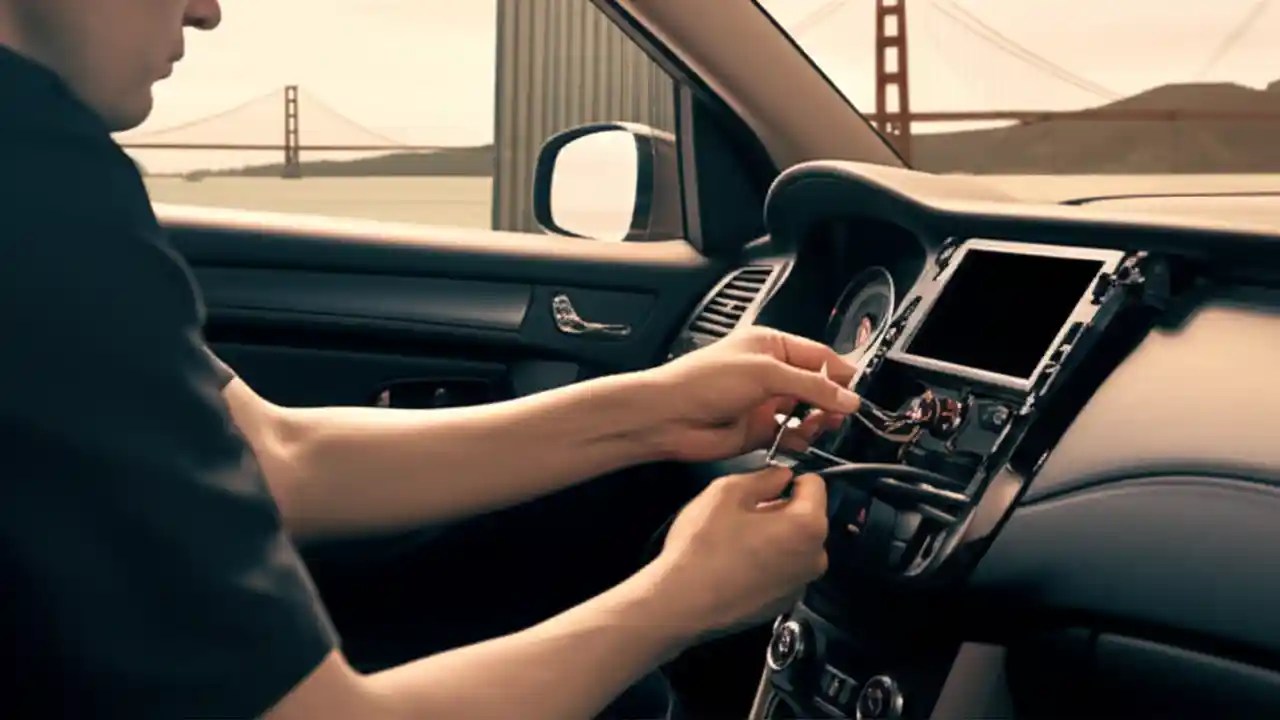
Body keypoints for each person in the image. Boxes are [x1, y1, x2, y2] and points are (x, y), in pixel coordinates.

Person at [0, 1, 863, 717]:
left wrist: (653, 410)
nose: (208, 9)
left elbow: (274, 460)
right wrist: (684, 602)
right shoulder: (35, 191)